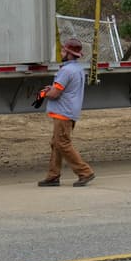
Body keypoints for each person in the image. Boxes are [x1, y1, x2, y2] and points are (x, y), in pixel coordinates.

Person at [37, 38, 95, 187]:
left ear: (70, 54)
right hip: (69, 111)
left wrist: (44, 93)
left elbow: (56, 93)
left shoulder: (66, 70)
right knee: (56, 143)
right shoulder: (77, 69)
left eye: (64, 51)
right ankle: (53, 176)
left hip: (63, 112)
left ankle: (85, 172)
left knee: (62, 143)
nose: (61, 53)